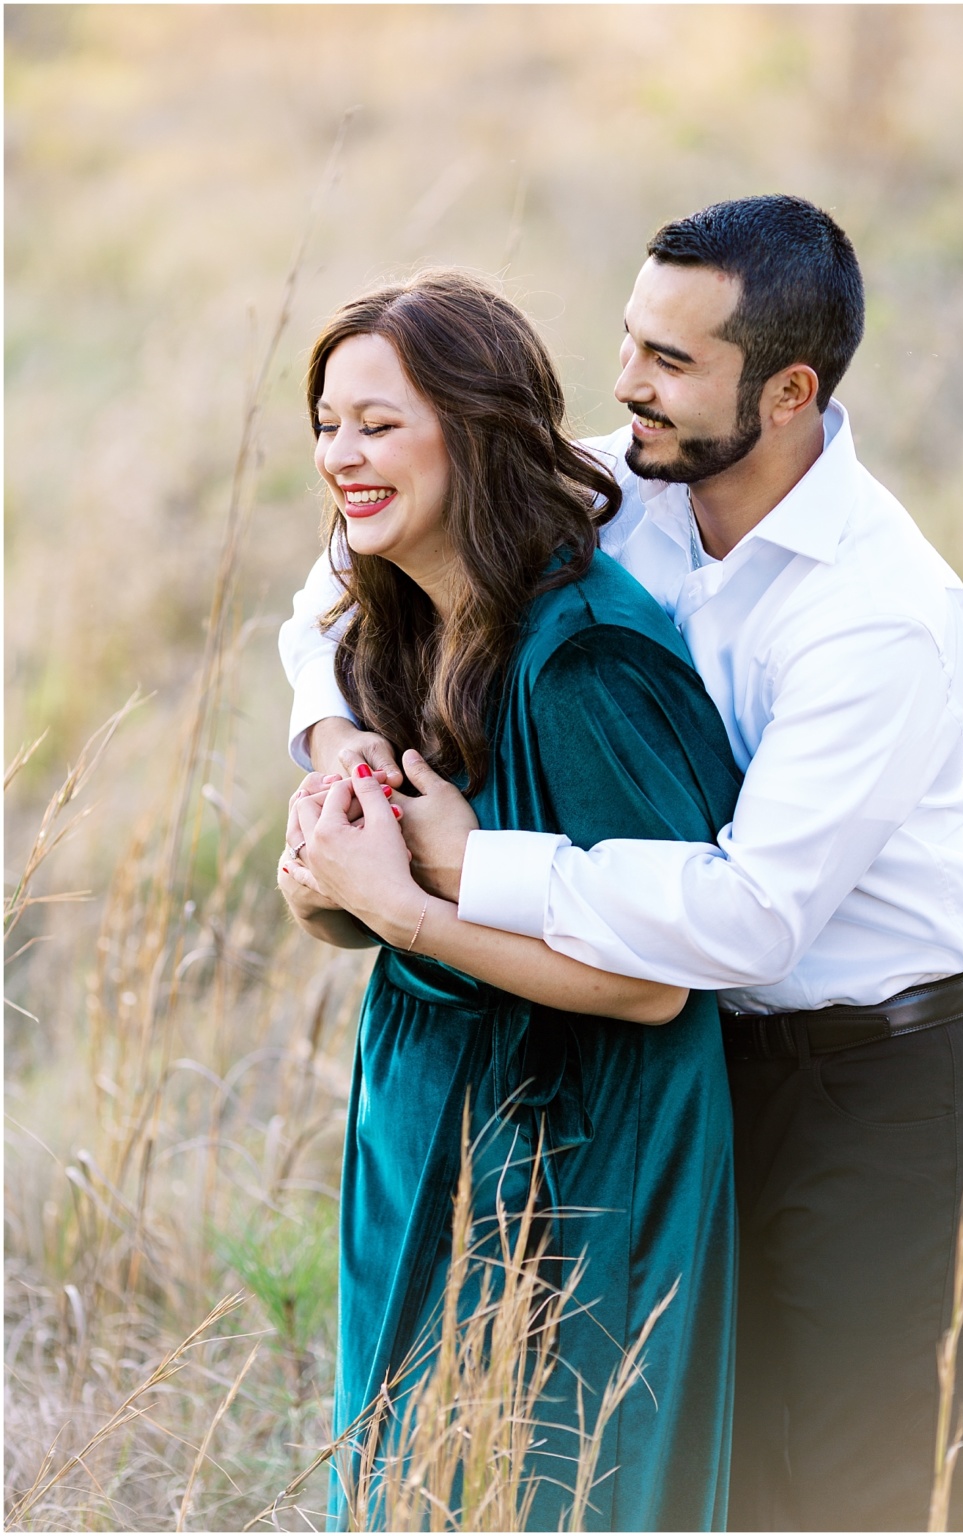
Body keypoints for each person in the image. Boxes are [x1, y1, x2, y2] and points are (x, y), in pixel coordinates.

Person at [279, 197, 963, 1533]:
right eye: (630, 341)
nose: (625, 386)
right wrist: (341, 745)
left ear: (788, 393)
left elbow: (747, 921)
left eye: (671, 363)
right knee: (698, 1476)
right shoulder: (624, 483)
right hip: (690, 1072)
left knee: (856, 1493)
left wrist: (460, 868)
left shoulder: (880, 611)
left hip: (883, 1079)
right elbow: (338, 576)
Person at [277, 270, 743, 1531]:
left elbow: (655, 984)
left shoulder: (581, 657)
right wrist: (329, 866)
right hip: (425, 1114)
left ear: (473, 428)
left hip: (574, 1146)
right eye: (328, 424)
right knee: (404, 1483)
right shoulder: (401, 616)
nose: (343, 456)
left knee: (545, 1491)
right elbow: (344, 904)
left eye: (378, 423)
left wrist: (406, 907)